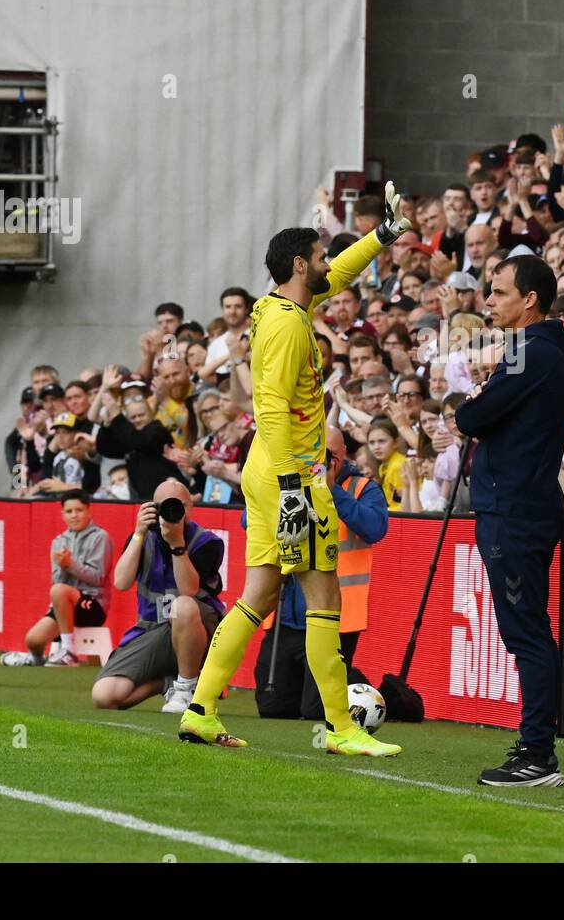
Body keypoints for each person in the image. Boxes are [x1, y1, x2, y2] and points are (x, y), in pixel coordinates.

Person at [178, 183, 412, 756]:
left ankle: (201, 710)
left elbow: (344, 274)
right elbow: (275, 406)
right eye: (322, 255)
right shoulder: (288, 326)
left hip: (265, 471)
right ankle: (340, 727)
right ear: (301, 264)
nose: (331, 264)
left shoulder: (277, 306)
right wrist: (295, 484)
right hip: (292, 475)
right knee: (324, 598)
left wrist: (383, 235)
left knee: (256, 596)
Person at [455, 254, 564, 787]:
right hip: (519, 502)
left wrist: (479, 401)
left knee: (526, 629)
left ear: (529, 299)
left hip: (515, 507)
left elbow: (469, 417)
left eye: (499, 291)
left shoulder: (534, 354)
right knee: (526, 628)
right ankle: (535, 746)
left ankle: (537, 752)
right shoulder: (541, 352)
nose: (488, 301)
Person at [255, 429, 389, 718]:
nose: (316, 463)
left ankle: (359, 689)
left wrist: (333, 491)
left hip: (335, 616)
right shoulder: (287, 482)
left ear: (341, 458)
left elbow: (376, 528)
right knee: (273, 708)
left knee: (316, 712)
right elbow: (248, 519)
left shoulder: (361, 488)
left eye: (326, 456)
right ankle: (349, 678)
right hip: (289, 617)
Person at [92, 480, 226, 712]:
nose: (170, 512)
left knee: (183, 606)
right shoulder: (143, 538)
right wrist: (138, 533)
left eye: (178, 506)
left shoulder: (208, 542)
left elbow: (188, 591)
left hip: (198, 630)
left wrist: (177, 544)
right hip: (152, 628)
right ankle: (167, 683)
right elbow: (121, 582)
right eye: (163, 506)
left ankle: (186, 688)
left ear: (190, 509)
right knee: (104, 696)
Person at [1, 491, 113, 667]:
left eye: (79, 510)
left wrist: (70, 564)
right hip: (64, 605)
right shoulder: (58, 542)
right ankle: (35, 659)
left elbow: (98, 578)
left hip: (93, 605)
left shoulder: (100, 537)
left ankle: (69, 653)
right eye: (69, 511)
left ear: (89, 511)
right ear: (62, 514)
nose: (74, 515)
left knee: (58, 591)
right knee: (33, 641)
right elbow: (56, 581)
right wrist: (63, 566)